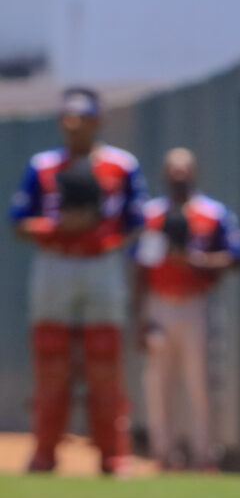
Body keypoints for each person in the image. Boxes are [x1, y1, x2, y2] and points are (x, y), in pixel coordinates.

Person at [12, 89, 143, 474]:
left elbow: (136, 222)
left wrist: (99, 233)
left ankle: (113, 454)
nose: (74, 129)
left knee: (104, 358)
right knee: (51, 358)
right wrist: (57, 227)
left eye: (82, 121)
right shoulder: (43, 165)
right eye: (68, 121)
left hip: (100, 262)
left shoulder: (121, 165)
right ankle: (45, 452)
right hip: (56, 261)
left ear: (96, 121)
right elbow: (18, 221)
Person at [132, 148, 240, 471]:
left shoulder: (212, 213)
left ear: (194, 172)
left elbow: (237, 256)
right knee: (158, 382)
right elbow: (140, 267)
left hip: (196, 302)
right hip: (159, 303)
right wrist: (139, 317)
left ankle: (204, 455)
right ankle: (163, 454)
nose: (178, 177)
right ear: (164, 174)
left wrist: (196, 261)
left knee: (201, 382)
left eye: (184, 170)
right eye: (173, 171)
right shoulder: (151, 214)